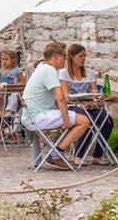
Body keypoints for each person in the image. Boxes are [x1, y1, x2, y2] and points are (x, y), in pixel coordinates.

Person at [20, 40, 90, 170]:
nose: (65, 58)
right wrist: (66, 120)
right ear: (56, 56)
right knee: (84, 121)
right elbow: (60, 98)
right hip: (37, 117)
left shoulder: (42, 67)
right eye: (64, 55)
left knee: (77, 116)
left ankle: (57, 153)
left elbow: (56, 100)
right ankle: (55, 156)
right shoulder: (49, 70)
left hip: (31, 115)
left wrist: (65, 116)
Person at [60, 44, 114, 165]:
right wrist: (83, 104)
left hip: (89, 106)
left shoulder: (89, 73)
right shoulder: (64, 73)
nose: (84, 58)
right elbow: (67, 97)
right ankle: (79, 155)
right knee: (87, 120)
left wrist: (95, 102)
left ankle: (97, 155)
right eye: (81, 56)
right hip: (73, 107)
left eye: (84, 56)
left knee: (107, 120)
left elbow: (94, 93)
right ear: (72, 57)